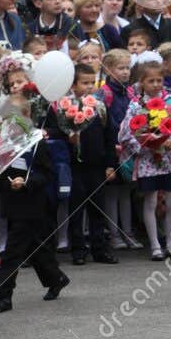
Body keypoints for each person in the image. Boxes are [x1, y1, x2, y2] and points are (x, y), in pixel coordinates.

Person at [0, 90, 70, 314]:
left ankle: (3, 296)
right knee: (35, 248)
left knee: (13, 252)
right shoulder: (3, 143)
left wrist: (27, 182)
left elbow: (46, 173)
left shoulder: (36, 143)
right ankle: (56, 278)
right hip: (12, 203)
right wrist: (1, 182)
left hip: (32, 204)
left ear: (27, 117)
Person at [118, 56, 171, 261]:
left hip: (170, 159)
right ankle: (156, 245)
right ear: (142, 82)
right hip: (148, 160)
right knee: (150, 201)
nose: (156, 84)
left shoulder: (170, 102)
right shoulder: (135, 105)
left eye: (159, 80)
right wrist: (144, 144)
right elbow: (127, 133)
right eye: (151, 81)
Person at [48, 64, 118, 267]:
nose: (89, 87)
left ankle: (100, 248)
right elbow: (53, 132)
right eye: (84, 83)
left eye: (92, 82)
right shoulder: (63, 107)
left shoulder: (99, 107)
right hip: (74, 166)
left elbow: (109, 136)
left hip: (96, 165)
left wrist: (110, 164)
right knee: (76, 209)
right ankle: (78, 250)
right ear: (73, 85)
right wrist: (68, 136)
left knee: (98, 209)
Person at [99, 48, 141, 250]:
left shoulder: (131, 91)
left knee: (126, 193)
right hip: (112, 149)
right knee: (112, 193)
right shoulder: (104, 93)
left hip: (129, 147)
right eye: (120, 68)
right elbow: (104, 122)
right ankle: (114, 234)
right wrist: (112, 144)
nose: (125, 72)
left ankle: (128, 232)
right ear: (108, 69)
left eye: (127, 68)